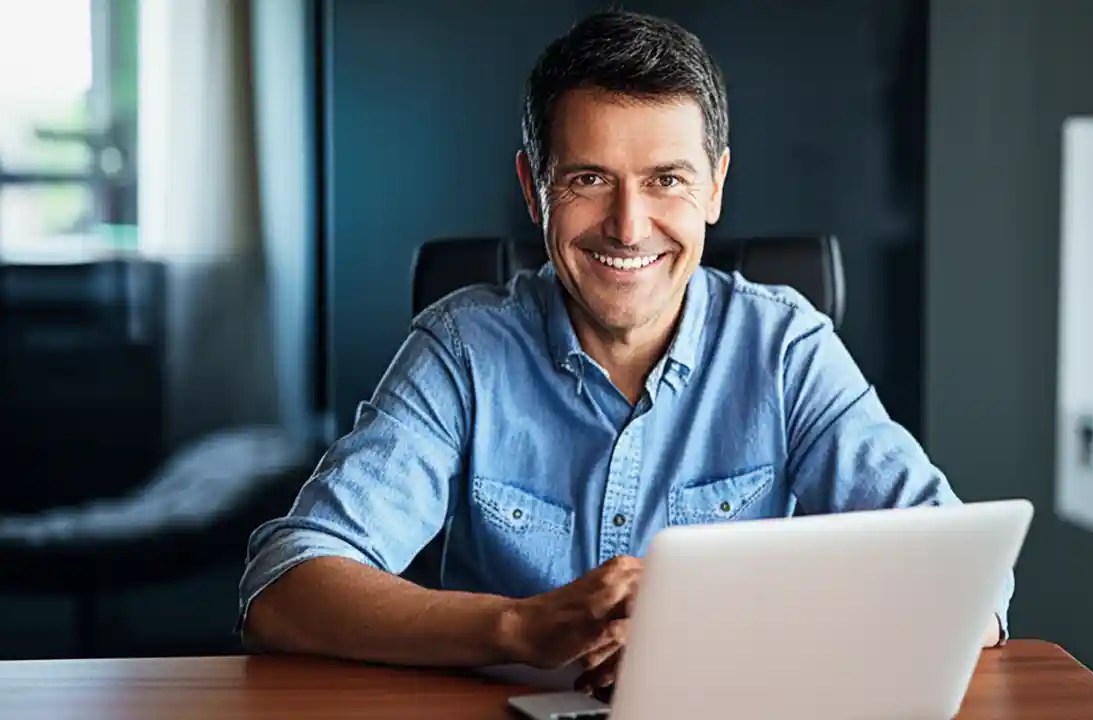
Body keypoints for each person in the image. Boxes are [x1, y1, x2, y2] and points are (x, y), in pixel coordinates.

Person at [239, 9, 1012, 694]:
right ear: (533, 189)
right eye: (587, 179)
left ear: (716, 185)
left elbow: (970, 594)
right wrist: (520, 627)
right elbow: (284, 587)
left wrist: (710, 634)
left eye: (666, 180)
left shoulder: (786, 349)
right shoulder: (462, 347)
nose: (628, 225)